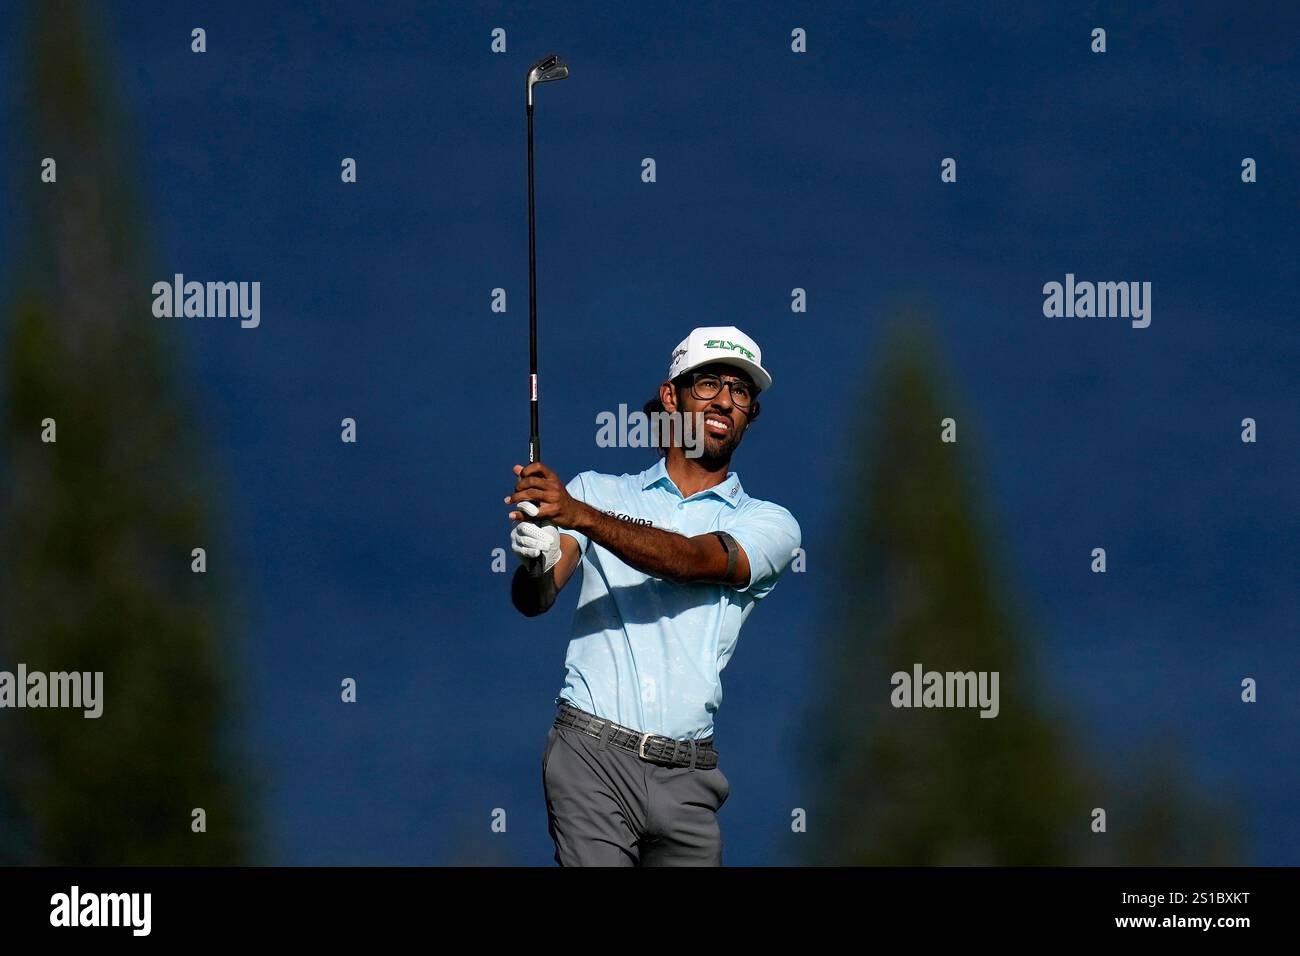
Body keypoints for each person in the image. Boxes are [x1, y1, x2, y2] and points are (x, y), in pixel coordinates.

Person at [505, 325, 801, 866]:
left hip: (690, 777)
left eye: (741, 392)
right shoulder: (598, 489)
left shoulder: (771, 524)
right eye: (709, 383)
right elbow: (537, 598)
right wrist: (534, 558)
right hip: (590, 756)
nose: (726, 402)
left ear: (750, 414)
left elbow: (691, 562)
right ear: (672, 396)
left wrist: (578, 516)